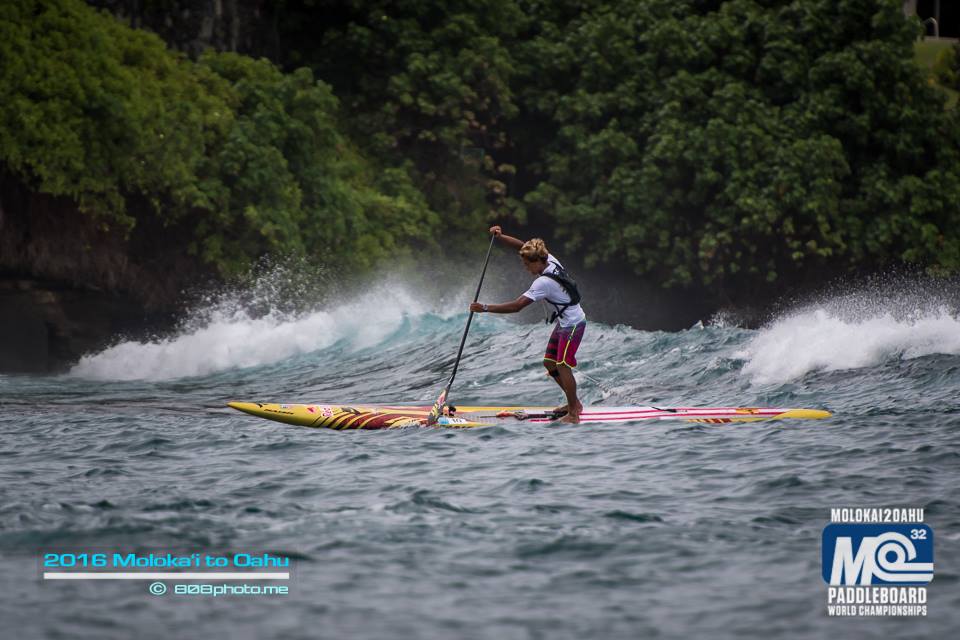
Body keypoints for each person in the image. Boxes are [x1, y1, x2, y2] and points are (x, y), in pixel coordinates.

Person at [470, 225, 586, 423]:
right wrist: (501, 237)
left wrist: (485, 308)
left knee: (563, 365)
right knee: (549, 363)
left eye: (527, 265)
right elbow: (522, 246)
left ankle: (574, 414)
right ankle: (574, 403)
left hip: (573, 325)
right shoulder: (549, 259)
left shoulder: (543, 283)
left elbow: (517, 306)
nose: (525, 268)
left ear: (537, 261)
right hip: (565, 322)